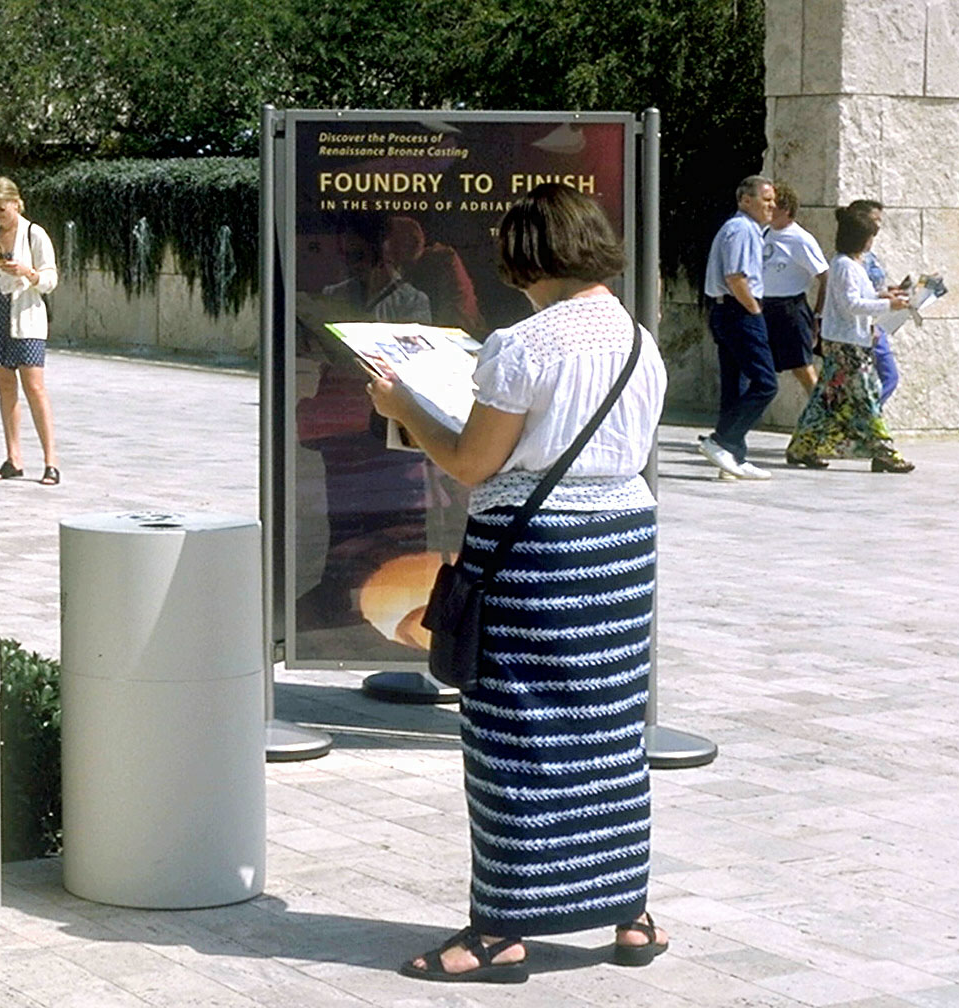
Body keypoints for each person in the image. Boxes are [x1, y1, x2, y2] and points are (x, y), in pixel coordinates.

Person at [366, 183, 669, 982]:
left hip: (537, 554)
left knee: (516, 736)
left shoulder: (524, 345)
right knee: (607, 731)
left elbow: (472, 462)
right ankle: (629, 912)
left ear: (528, 257)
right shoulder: (638, 338)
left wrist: (404, 405)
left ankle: (500, 932)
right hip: (621, 549)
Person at [784, 207, 913, 472]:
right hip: (847, 344)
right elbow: (851, 304)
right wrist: (889, 306)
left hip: (848, 340)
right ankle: (885, 452)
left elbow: (859, 297)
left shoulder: (852, 265)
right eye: (870, 236)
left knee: (826, 398)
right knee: (867, 396)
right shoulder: (844, 266)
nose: (871, 242)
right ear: (861, 238)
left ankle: (802, 447)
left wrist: (883, 297)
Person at [0, 177, 61, 484]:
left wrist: (28, 272)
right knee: (5, 386)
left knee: (34, 387)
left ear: (16, 204)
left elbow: (50, 279)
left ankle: (50, 461)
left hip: (26, 317)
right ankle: (13, 458)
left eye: (2, 209)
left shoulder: (34, 233)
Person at [699, 175, 777, 480]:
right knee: (765, 383)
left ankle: (732, 456)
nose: (772, 206)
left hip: (728, 310)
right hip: (738, 311)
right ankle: (722, 441)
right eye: (766, 200)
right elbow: (736, 277)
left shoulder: (744, 229)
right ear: (745, 200)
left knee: (736, 386)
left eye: (773, 200)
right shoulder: (742, 229)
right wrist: (754, 310)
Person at [761, 183, 828, 394]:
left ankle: (821, 411)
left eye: (773, 205)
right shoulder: (764, 234)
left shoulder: (801, 239)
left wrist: (817, 314)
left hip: (790, 309)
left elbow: (825, 277)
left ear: (786, 209)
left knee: (802, 368)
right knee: (760, 368)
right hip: (764, 307)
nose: (768, 209)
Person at [846, 198, 901, 405]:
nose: (877, 225)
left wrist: (888, 292)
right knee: (887, 377)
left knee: (885, 378)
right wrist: (887, 303)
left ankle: (867, 414)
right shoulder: (850, 261)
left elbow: (870, 291)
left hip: (877, 323)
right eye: (874, 220)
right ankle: (867, 414)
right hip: (866, 326)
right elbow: (853, 300)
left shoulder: (869, 255)